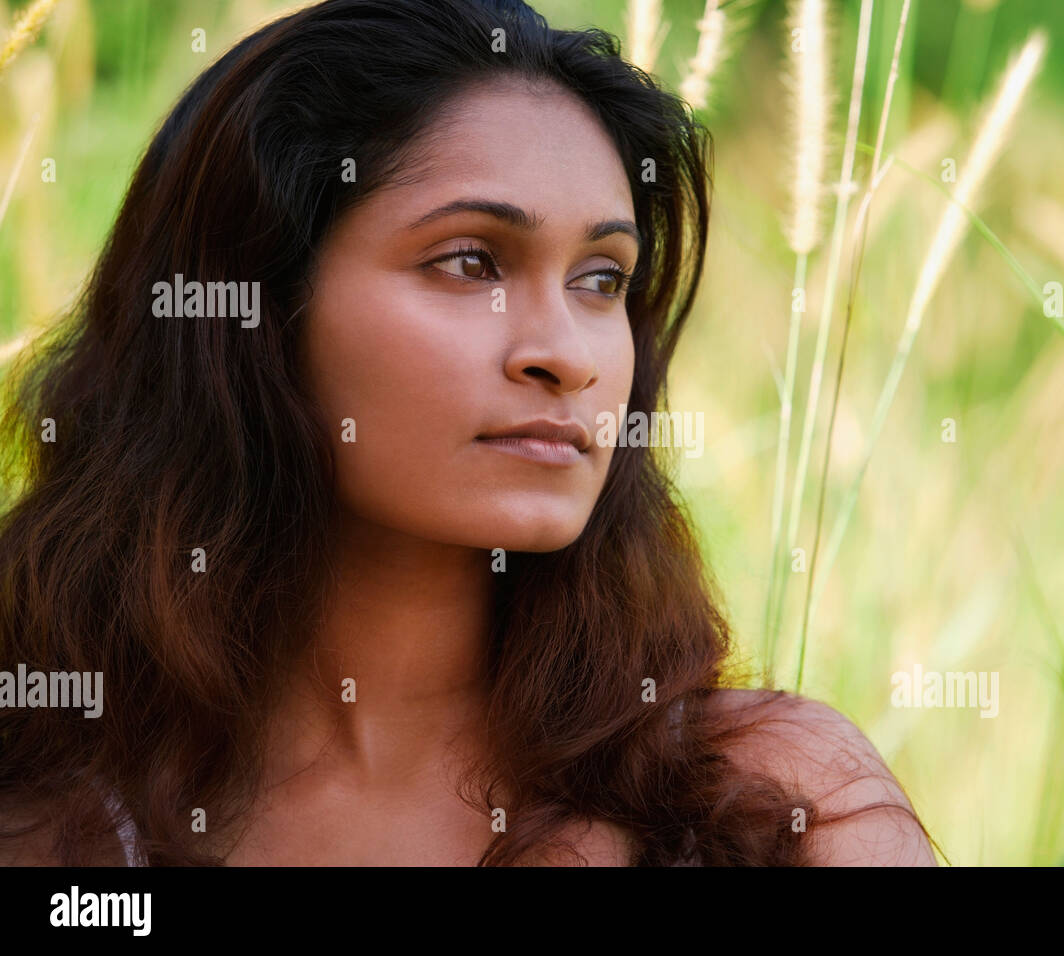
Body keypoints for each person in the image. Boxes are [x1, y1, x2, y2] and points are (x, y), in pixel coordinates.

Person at [0, 0, 936, 866]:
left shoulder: (769, 800)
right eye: (470, 261)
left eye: (602, 279)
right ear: (248, 310)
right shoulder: (52, 818)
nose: (565, 355)